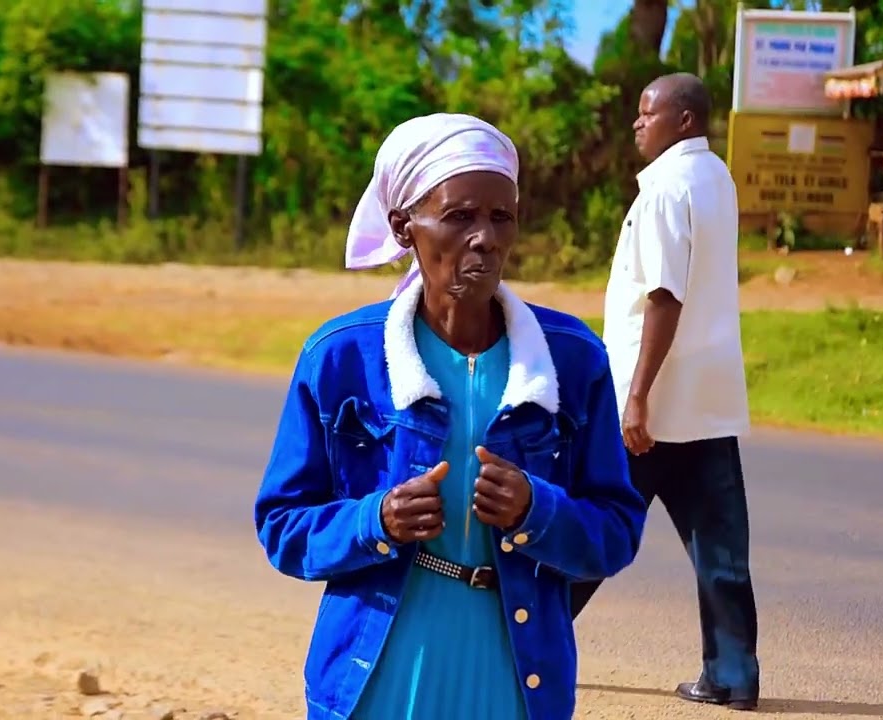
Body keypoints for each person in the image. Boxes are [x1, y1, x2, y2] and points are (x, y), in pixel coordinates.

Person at [254, 112, 648, 720]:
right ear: (403, 227)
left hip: (511, 681)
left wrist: (536, 509)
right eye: (460, 216)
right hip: (377, 679)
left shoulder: (572, 360)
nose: (485, 238)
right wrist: (376, 518)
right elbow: (283, 525)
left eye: (501, 217)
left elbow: (617, 530)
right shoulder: (340, 357)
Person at [569, 73, 761, 711]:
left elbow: (663, 296)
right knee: (722, 550)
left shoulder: (665, 190)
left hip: (650, 406)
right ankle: (733, 677)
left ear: (683, 121)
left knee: (595, 527)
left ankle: (523, 646)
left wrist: (636, 396)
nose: (637, 123)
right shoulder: (717, 179)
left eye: (647, 113)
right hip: (707, 401)